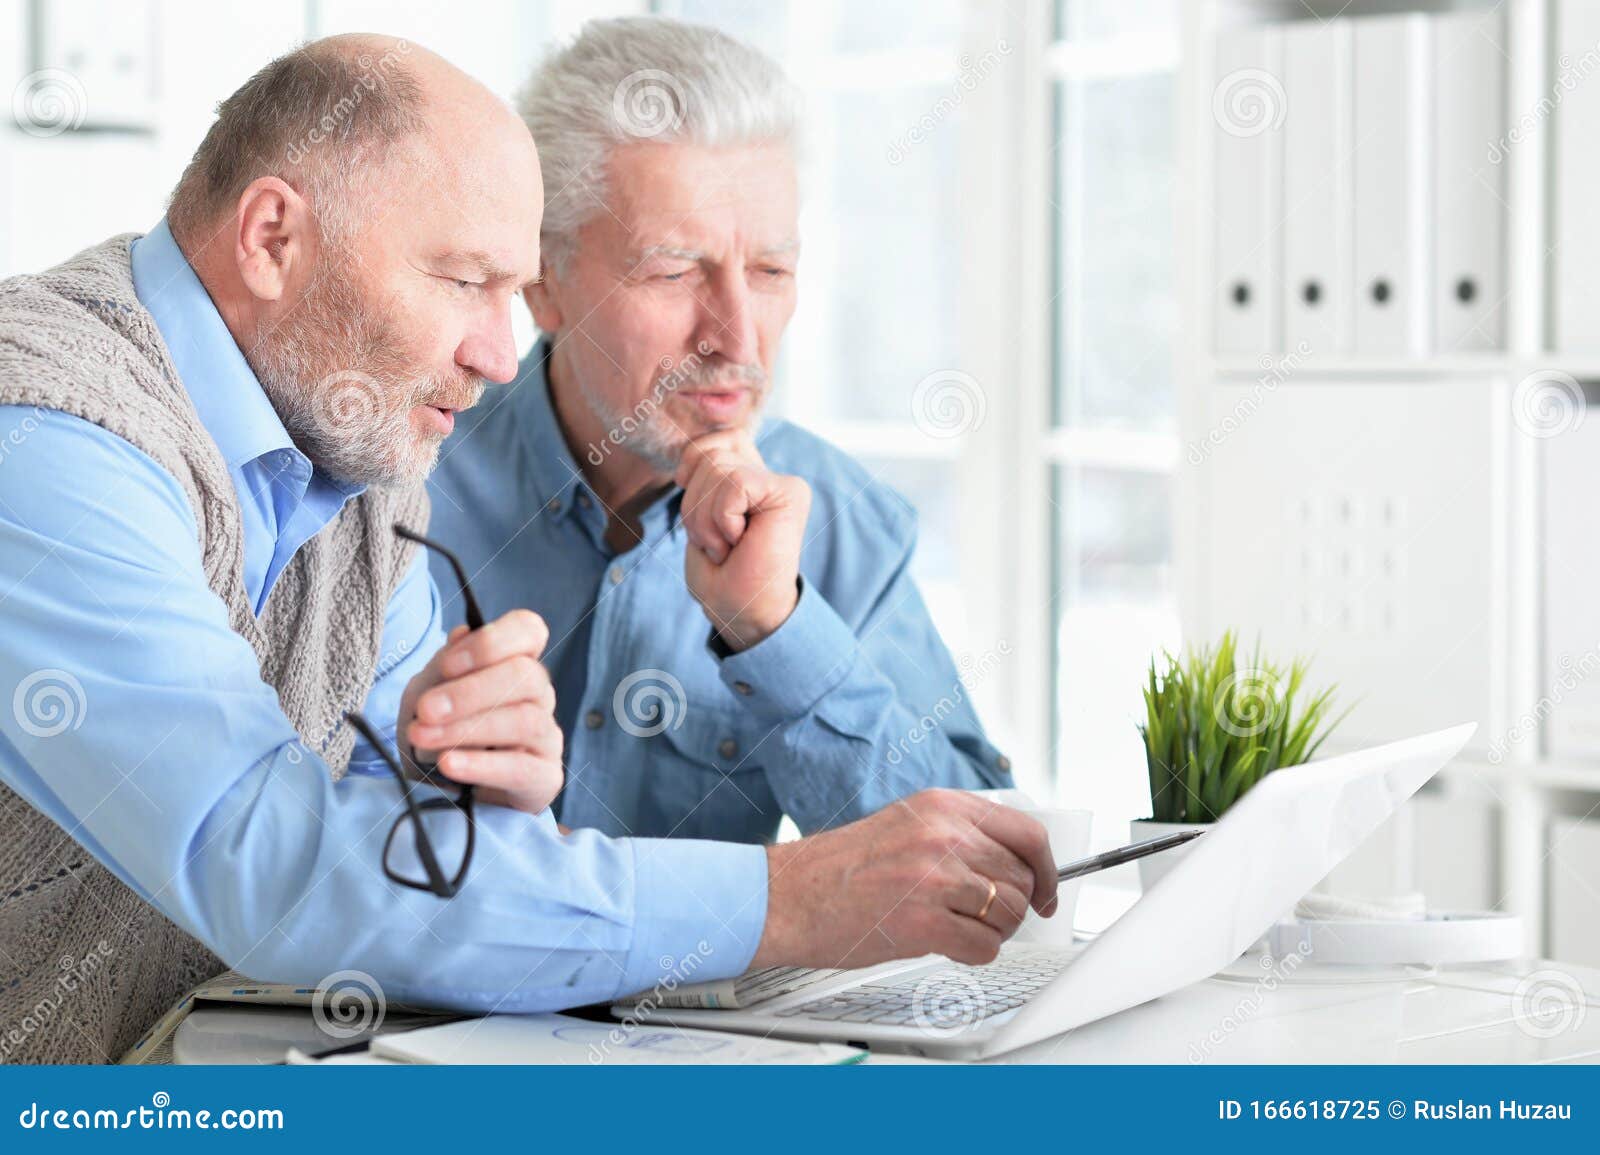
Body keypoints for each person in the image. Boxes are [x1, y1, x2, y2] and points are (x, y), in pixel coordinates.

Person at [0, 34, 1055, 1065]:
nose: (498, 355)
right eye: (465, 281)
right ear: (273, 237)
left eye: (773, 267)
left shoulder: (355, 451)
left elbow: (427, 858)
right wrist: (800, 898)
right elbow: (272, 865)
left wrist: (469, 786)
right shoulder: (43, 436)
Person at [427, 16, 1011, 844]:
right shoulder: (394, 494)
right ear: (540, 283)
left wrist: (778, 629)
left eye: (770, 271)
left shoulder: (843, 522)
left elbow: (984, 865)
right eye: (672, 272)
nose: (737, 338)